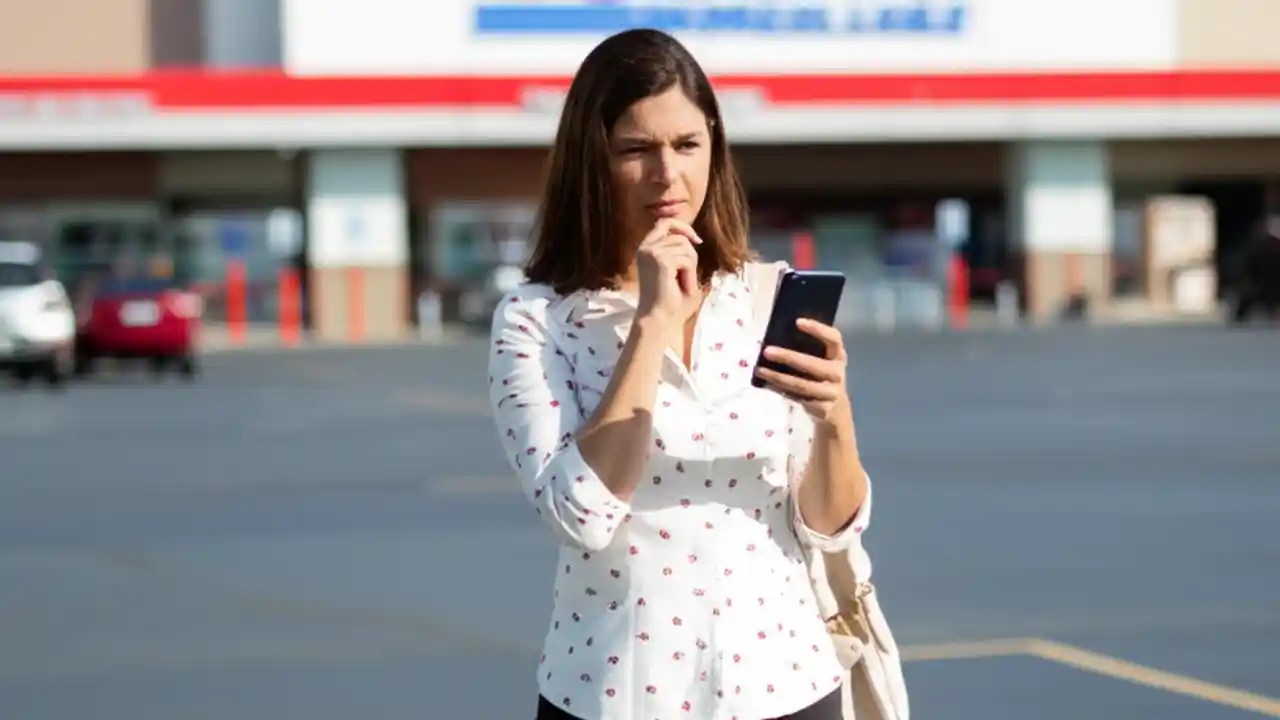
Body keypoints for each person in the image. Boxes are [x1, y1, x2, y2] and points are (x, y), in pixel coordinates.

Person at [488, 28, 873, 720]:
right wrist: (652, 325)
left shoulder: (765, 297)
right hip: (619, 693)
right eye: (636, 150)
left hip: (787, 684)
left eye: (688, 146)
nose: (668, 176)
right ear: (591, 163)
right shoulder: (536, 321)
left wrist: (835, 416)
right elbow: (581, 515)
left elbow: (827, 526)